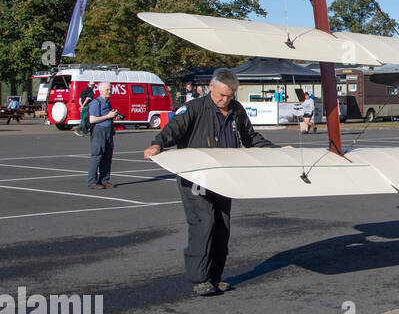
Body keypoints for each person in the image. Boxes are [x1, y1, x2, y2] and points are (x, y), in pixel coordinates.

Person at [143, 69, 282, 297]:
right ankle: (200, 279)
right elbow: (173, 129)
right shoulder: (195, 108)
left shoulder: (237, 111)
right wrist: (157, 144)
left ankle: (215, 277)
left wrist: (276, 152)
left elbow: (250, 137)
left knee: (221, 226)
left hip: (224, 177)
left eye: (229, 96)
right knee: (203, 223)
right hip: (196, 177)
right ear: (211, 86)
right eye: (221, 95)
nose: (225, 100)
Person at [85, 81, 122, 188]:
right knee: (97, 155)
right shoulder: (96, 102)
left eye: (110, 89)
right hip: (99, 131)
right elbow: (92, 120)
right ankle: (92, 181)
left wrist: (113, 116)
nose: (109, 91)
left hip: (108, 130)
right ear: (100, 91)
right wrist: (108, 116)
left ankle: (104, 180)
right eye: (107, 90)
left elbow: (108, 115)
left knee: (107, 155)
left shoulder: (108, 102)